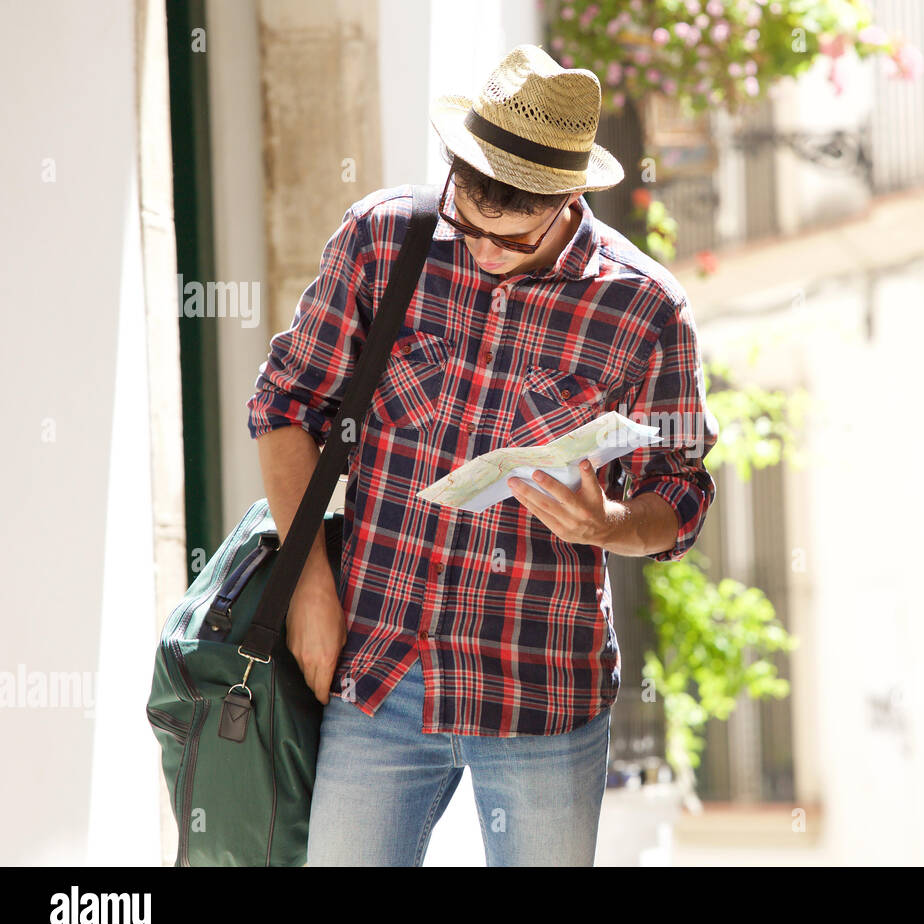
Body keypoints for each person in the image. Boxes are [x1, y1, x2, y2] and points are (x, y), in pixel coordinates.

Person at [245, 44, 718, 866]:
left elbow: (681, 494)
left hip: (542, 692)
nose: (482, 248)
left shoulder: (645, 310)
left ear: (568, 197)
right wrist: (309, 587)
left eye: (512, 234)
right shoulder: (383, 240)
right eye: (466, 219)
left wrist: (608, 523)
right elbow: (283, 408)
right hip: (379, 666)